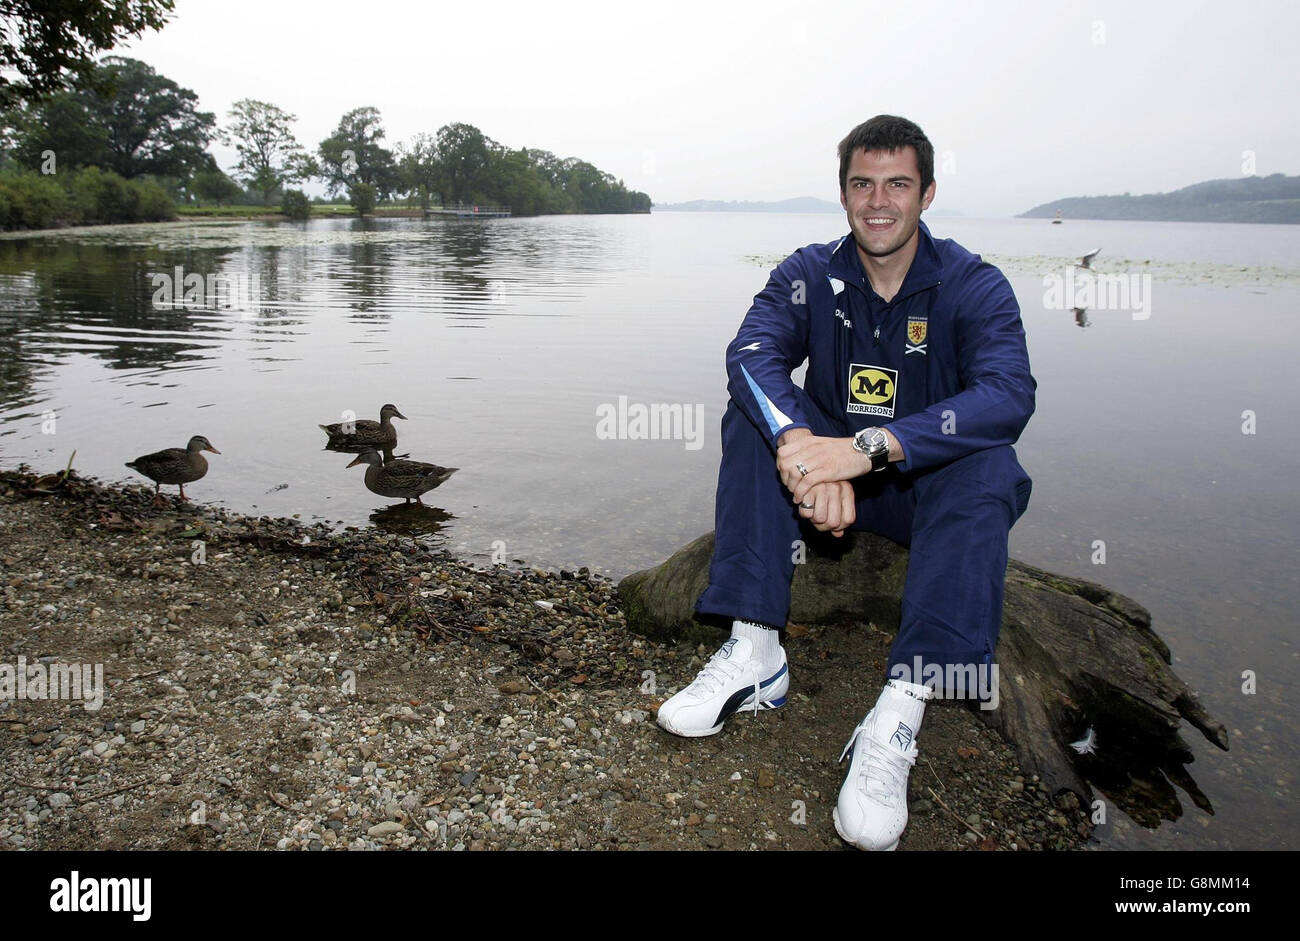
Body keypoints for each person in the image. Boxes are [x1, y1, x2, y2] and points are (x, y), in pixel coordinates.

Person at [655, 115, 1035, 851]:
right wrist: (803, 449)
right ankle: (755, 647)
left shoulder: (971, 284)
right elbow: (751, 353)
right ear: (843, 194)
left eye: (898, 183)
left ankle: (901, 706)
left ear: (927, 192)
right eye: (863, 183)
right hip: (821, 484)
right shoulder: (806, 274)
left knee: (988, 462)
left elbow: (1008, 394)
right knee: (751, 417)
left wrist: (869, 449)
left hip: (922, 491)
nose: (879, 200)